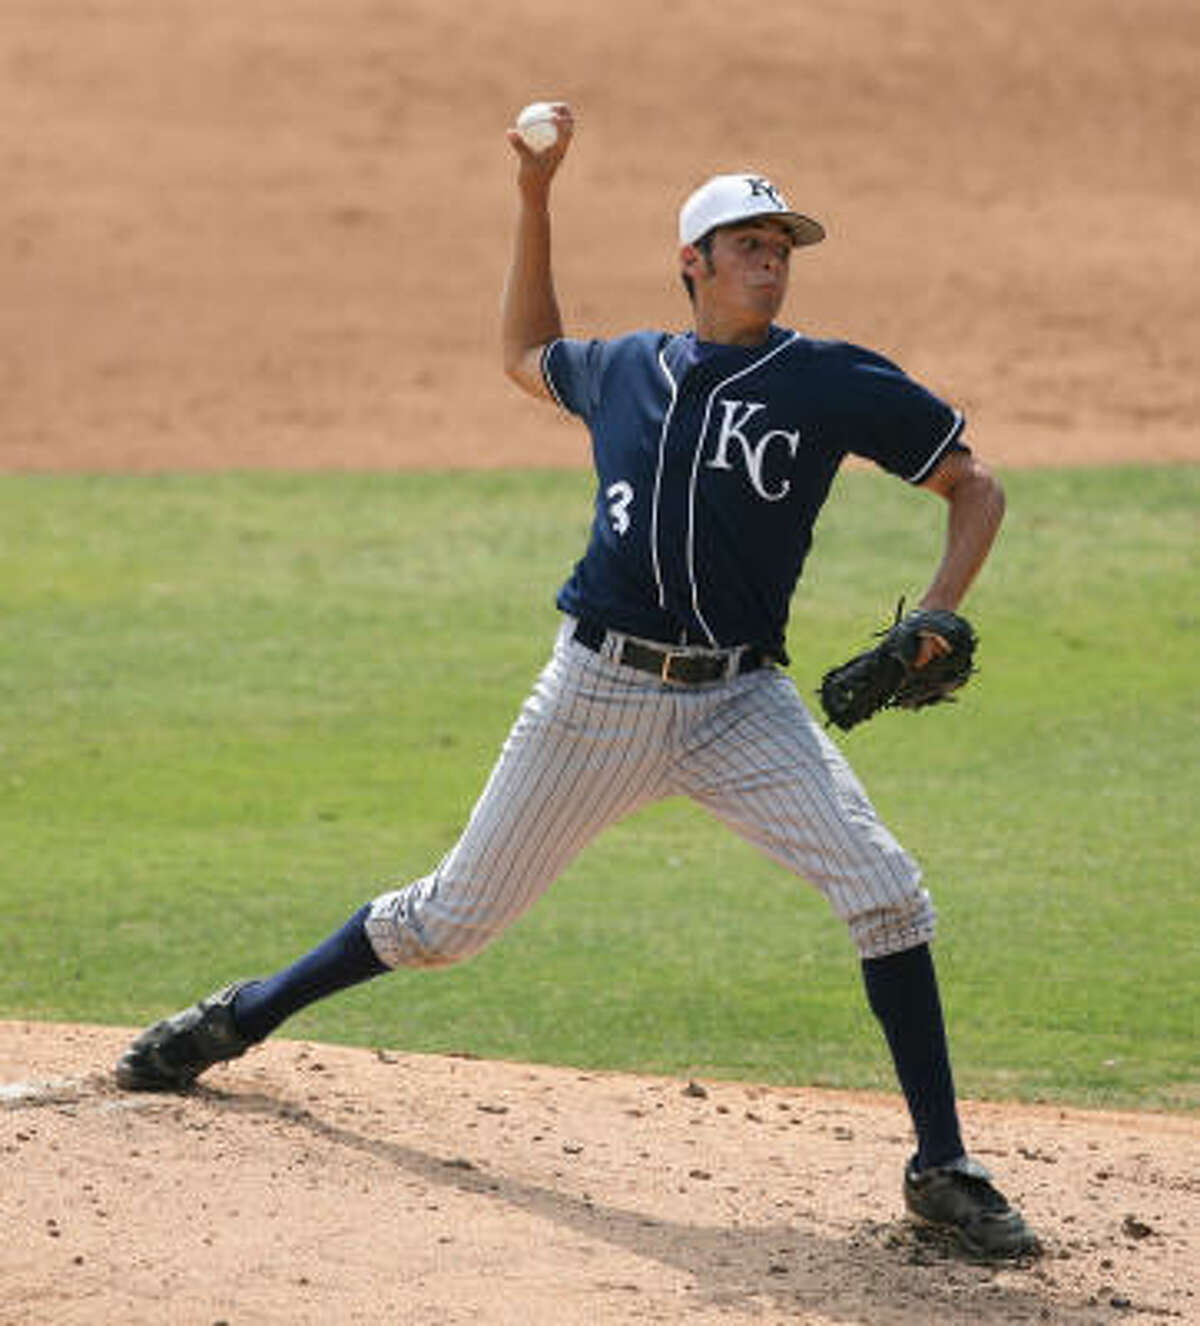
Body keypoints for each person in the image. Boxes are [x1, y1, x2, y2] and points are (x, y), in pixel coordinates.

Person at [115, 104, 1038, 1261]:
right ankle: (237, 1017)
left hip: (742, 703)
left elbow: (976, 486)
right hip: (596, 695)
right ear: (692, 263)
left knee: (891, 895)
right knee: (447, 923)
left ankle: (941, 1165)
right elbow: (520, 353)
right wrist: (535, 195)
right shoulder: (625, 370)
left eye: (783, 245)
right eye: (749, 242)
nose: (771, 259)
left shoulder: (834, 381)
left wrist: (942, 613)